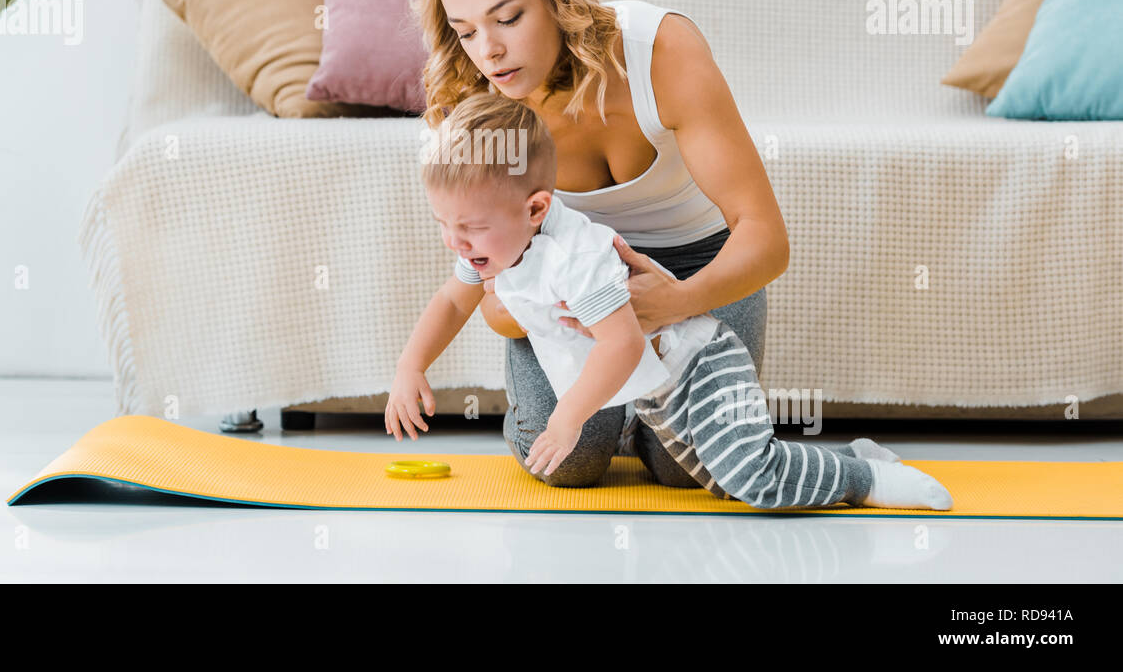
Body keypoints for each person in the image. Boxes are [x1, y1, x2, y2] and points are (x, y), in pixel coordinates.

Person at [386, 93, 952, 510]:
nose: (455, 244)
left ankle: (867, 480)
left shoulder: (574, 256)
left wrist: (566, 420)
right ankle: (855, 461)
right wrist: (412, 365)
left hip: (696, 366)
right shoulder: (491, 240)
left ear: (536, 209)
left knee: (752, 479)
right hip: (655, 389)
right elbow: (452, 302)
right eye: (443, 224)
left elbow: (623, 342)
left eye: (469, 228)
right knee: (723, 478)